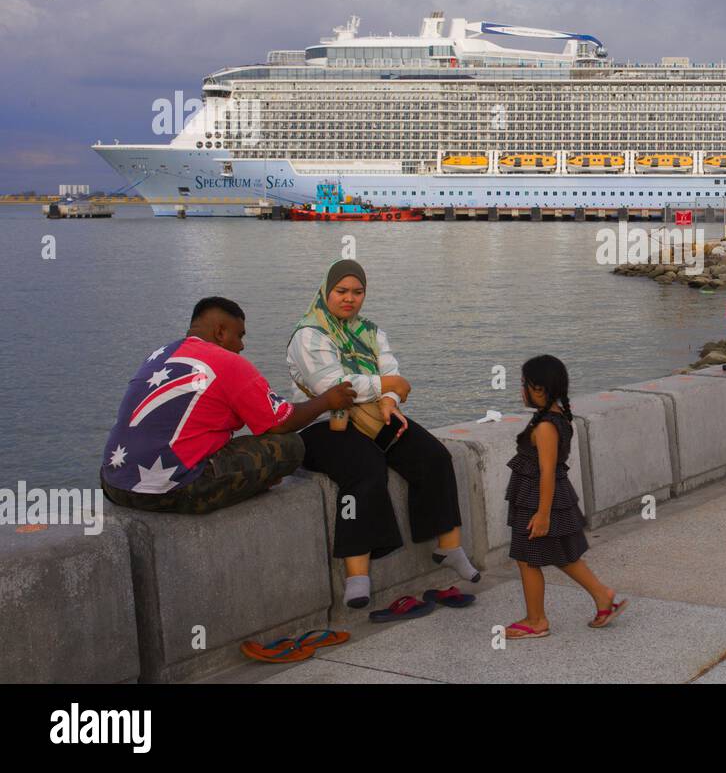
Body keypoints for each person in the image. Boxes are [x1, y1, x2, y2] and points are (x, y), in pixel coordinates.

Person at [288, 259, 478, 611]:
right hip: (320, 424)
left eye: (357, 292)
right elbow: (332, 387)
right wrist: (387, 385)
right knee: (364, 468)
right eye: (341, 291)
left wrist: (390, 399)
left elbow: (392, 370)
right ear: (326, 291)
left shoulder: (371, 333)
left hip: (372, 414)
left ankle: (448, 546)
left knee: (432, 455)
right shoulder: (309, 334)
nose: (350, 299)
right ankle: (356, 573)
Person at [100, 297, 356, 514]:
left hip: (114, 485)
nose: (242, 345)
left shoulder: (159, 355)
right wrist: (327, 400)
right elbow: (282, 422)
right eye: (239, 335)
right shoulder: (227, 363)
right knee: (290, 446)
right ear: (220, 332)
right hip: (173, 489)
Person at [504, 355, 626, 639]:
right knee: (563, 554)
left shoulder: (546, 426)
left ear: (539, 389)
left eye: (523, 383)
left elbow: (546, 472)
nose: (520, 389)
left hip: (538, 499)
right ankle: (602, 596)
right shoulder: (558, 417)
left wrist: (542, 514)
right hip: (551, 496)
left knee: (527, 559)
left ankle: (536, 621)